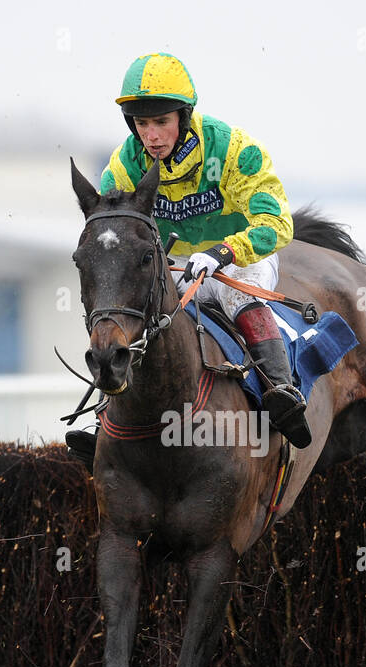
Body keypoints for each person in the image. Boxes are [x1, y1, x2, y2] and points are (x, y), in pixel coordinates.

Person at [69, 52, 311, 463]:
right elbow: (112, 236)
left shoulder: (234, 149)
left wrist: (223, 252)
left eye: (161, 122)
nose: (152, 136)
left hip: (239, 256)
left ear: (184, 116)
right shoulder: (123, 165)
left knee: (238, 298)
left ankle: (281, 391)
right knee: (137, 314)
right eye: (142, 124)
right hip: (172, 264)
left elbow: (277, 223)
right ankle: (107, 418)